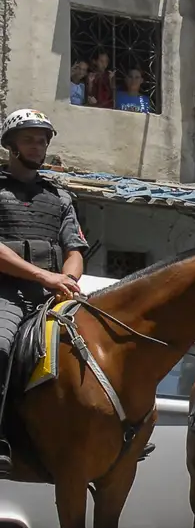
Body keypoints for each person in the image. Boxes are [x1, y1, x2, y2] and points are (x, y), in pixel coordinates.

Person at [0, 109, 87, 476]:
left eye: (42, 139)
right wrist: (43, 276)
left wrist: (67, 280)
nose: (37, 146)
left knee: (100, 349)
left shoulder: (60, 198)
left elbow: (74, 250)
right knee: (1, 347)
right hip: (6, 292)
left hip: (53, 295)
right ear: (11, 145)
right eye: (29, 139)